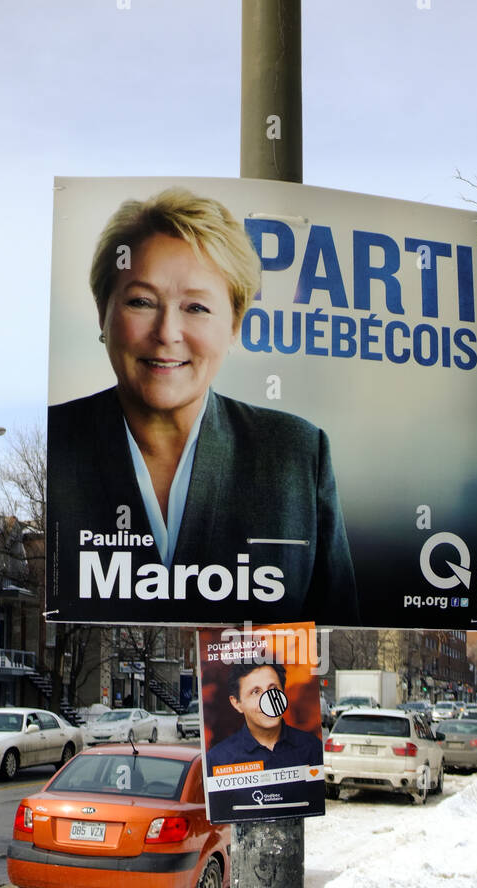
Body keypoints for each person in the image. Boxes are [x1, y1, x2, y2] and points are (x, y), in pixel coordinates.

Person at [47, 187, 359, 626]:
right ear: (103, 312)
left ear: (235, 325)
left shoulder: (296, 455)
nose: (167, 332)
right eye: (141, 301)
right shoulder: (53, 442)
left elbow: (334, 624)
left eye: (196, 307)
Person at [206, 662, 322, 776]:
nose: (268, 701)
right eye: (256, 692)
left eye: (273, 688)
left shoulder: (312, 747)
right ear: (236, 703)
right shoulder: (218, 759)